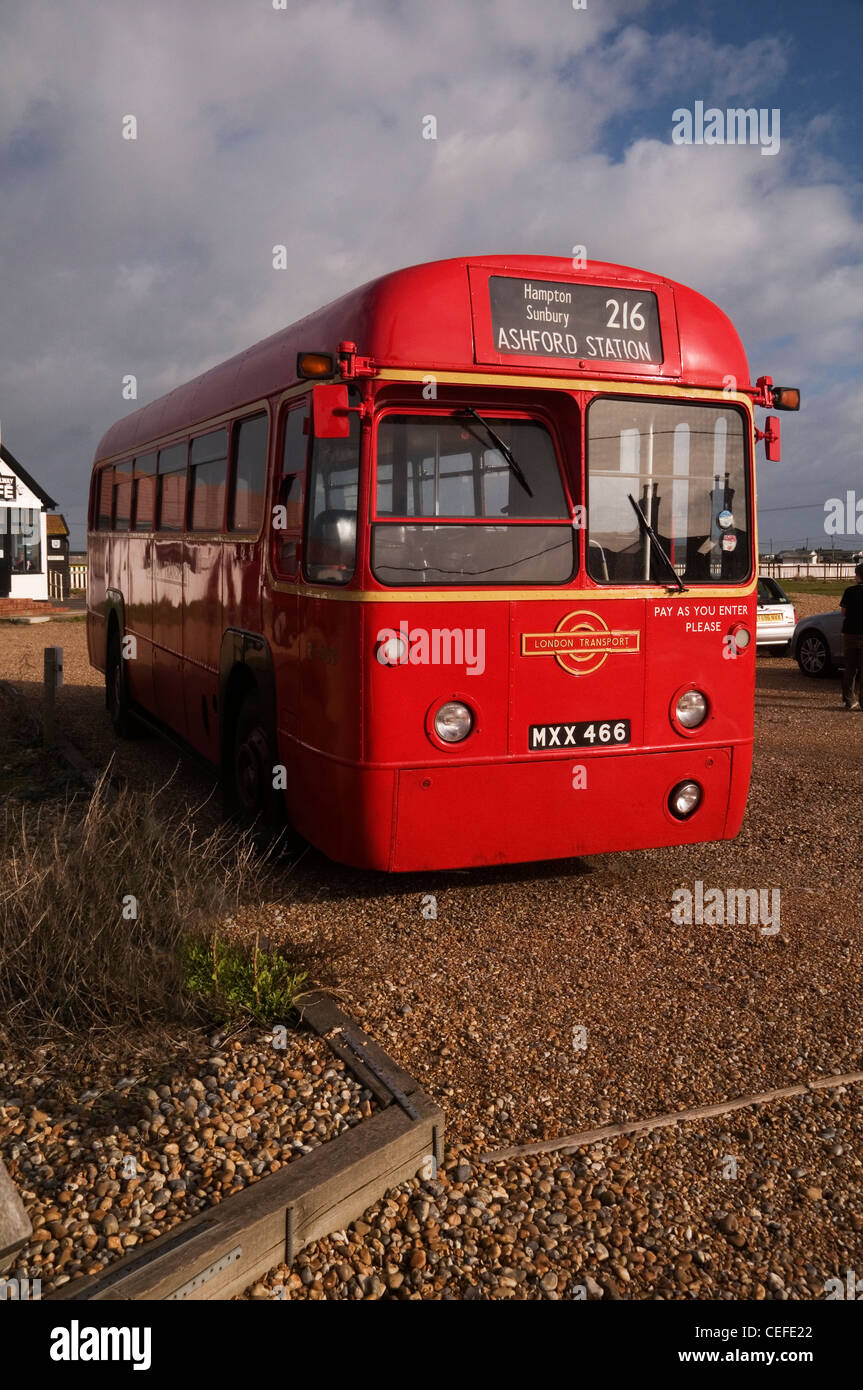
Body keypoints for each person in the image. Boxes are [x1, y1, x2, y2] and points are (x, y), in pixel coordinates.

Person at [840, 561, 863, 710]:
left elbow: (843, 612)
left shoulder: (850, 591)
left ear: (858, 576)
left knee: (850, 668)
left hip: (851, 633)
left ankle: (849, 699)